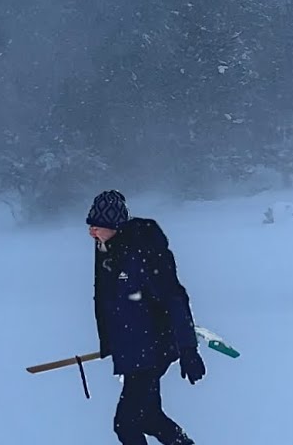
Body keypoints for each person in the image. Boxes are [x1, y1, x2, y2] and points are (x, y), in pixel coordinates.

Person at [88, 189, 206, 445]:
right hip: (133, 351)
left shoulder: (142, 252)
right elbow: (111, 304)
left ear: (114, 225)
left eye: (97, 226)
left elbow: (174, 298)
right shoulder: (108, 251)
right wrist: (111, 343)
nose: (91, 232)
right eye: (90, 226)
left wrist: (188, 348)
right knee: (150, 417)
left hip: (152, 350)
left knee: (125, 424)